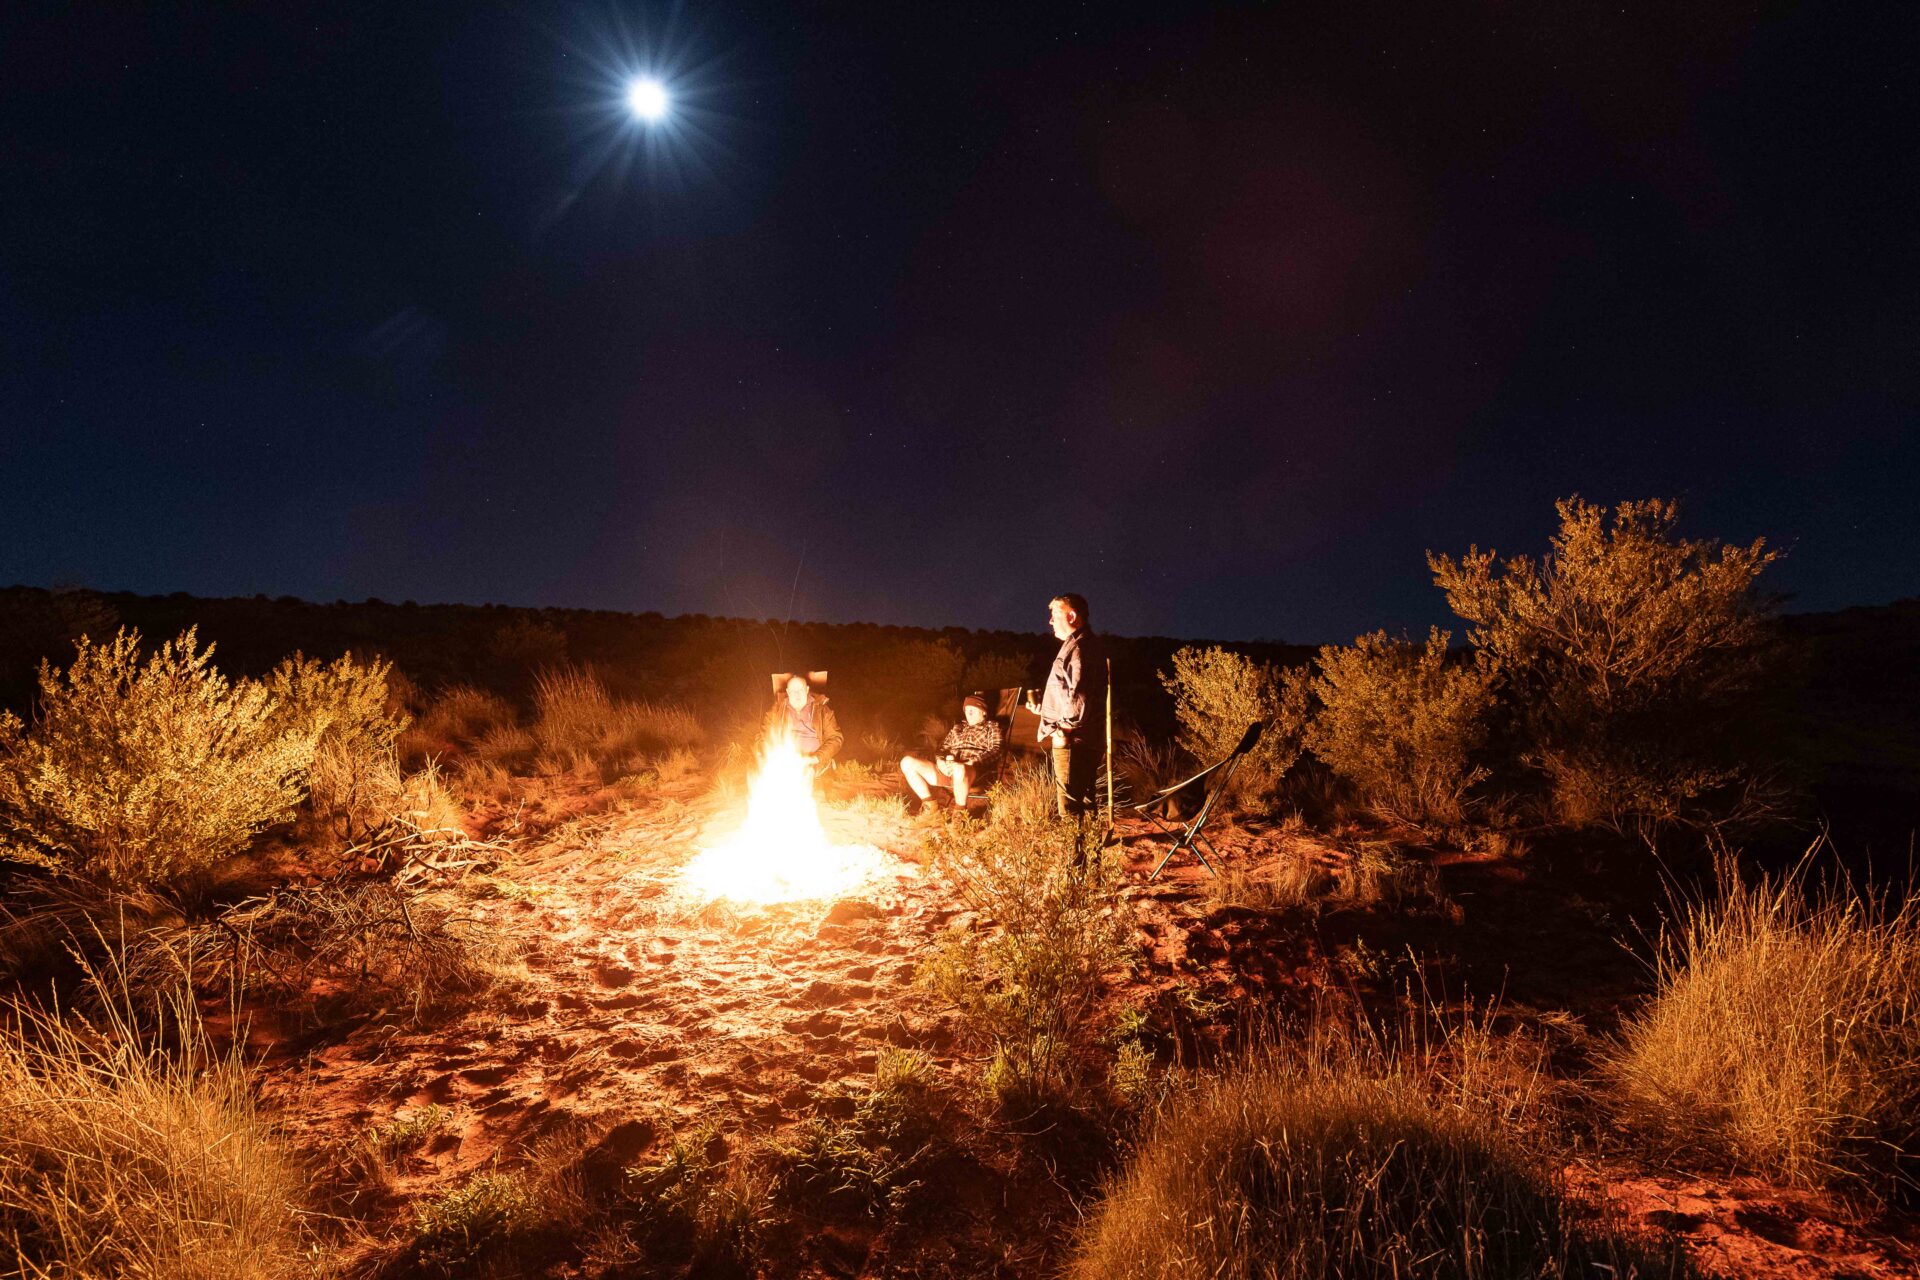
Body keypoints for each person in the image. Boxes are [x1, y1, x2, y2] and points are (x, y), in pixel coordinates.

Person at [1026, 592, 1106, 818]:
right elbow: (1074, 693)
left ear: (1071, 615)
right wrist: (1045, 711)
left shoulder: (1080, 648)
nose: (1050, 621)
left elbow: (1080, 697)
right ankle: (1089, 853)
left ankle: (1075, 853)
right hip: (1085, 738)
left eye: (1055, 614)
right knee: (1085, 801)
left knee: (1070, 806)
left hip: (1074, 740)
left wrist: (1064, 730)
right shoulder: (1082, 645)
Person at [900, 693, 1004, 813]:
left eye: (973, 709)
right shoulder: (957, 728)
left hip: (973, 772)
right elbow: (941, 749)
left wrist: (971, 761)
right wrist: (940, 761)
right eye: (967, 710)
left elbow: (997, 750)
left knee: (959, 768)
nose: (969, 713)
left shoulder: (992, 728)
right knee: (907, 762)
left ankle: (959, 814)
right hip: (948, 771)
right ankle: (930, 807)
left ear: (984, 712)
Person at [763, 673, 843, 775]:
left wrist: (815, 758)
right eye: (793, 691)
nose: (797, 694)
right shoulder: (776, 712)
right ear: (788, 692)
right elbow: (762, 737)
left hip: (816, 767)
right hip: (785, 766)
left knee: (818, 788)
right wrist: (771, 756)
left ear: (807, 689)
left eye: (800, 690)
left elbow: (836, 738)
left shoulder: (822, 711)